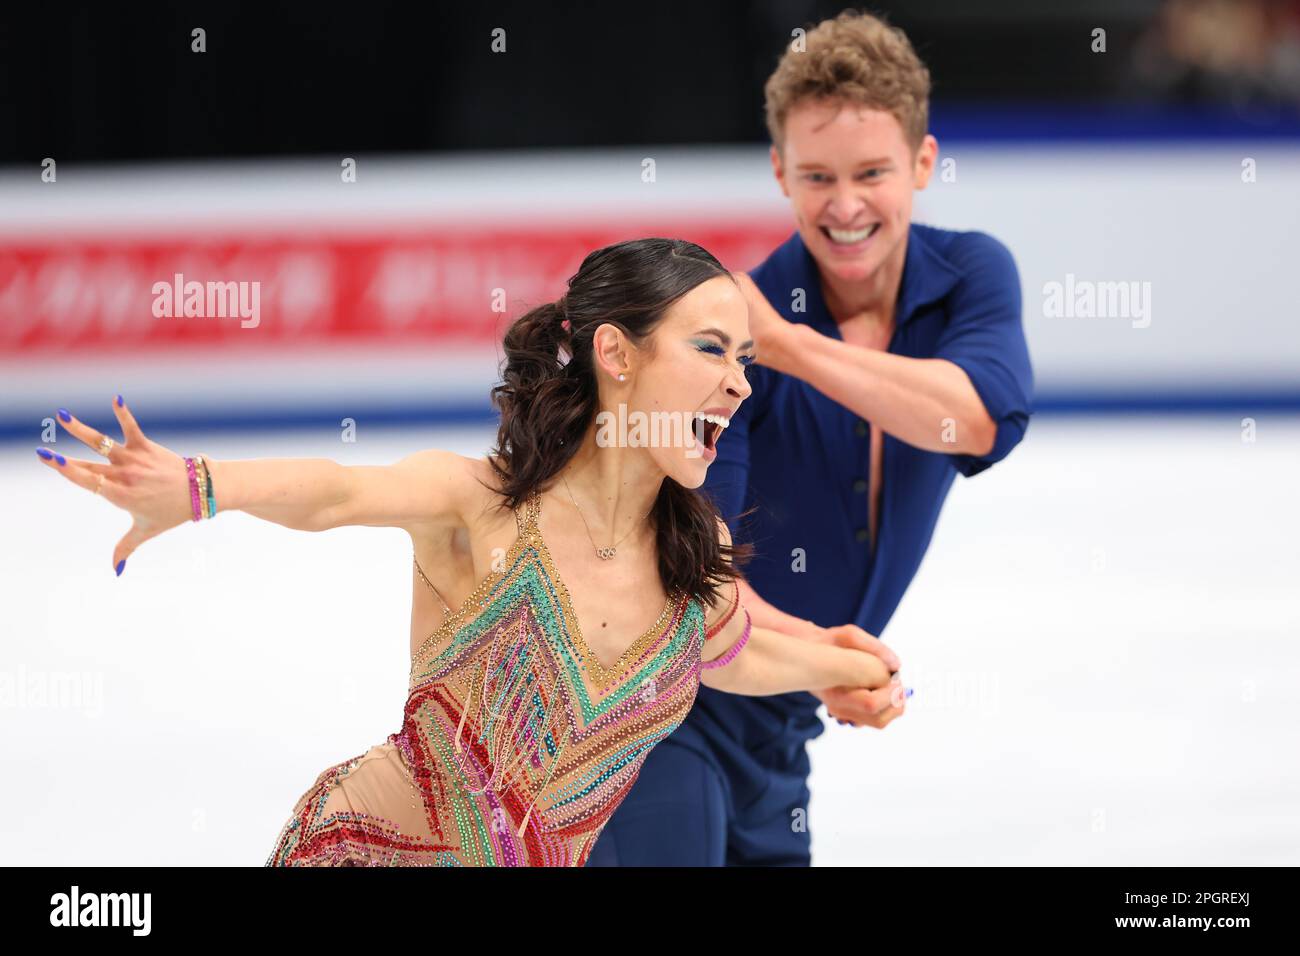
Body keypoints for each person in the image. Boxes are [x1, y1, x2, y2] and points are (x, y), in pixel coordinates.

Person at [34, 237, 897, 867]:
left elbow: (731, 649)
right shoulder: (482, 505)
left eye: (745, 358)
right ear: (616, 354)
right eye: (710, 349)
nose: (740, 381)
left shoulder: (688, 547)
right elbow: (338, 491)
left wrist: (830, 666)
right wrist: (198, 485)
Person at [586, 12, 1034, 867]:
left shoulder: (972, 275)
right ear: (780, 173)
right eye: (817, 176)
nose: (845, 205)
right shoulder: (718, 340)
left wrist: (786, 343)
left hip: (779, 736)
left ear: (924, 164)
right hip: (657, 721)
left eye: (872, 172)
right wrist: (819, 662)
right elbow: (697, 571)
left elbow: (975, 421)